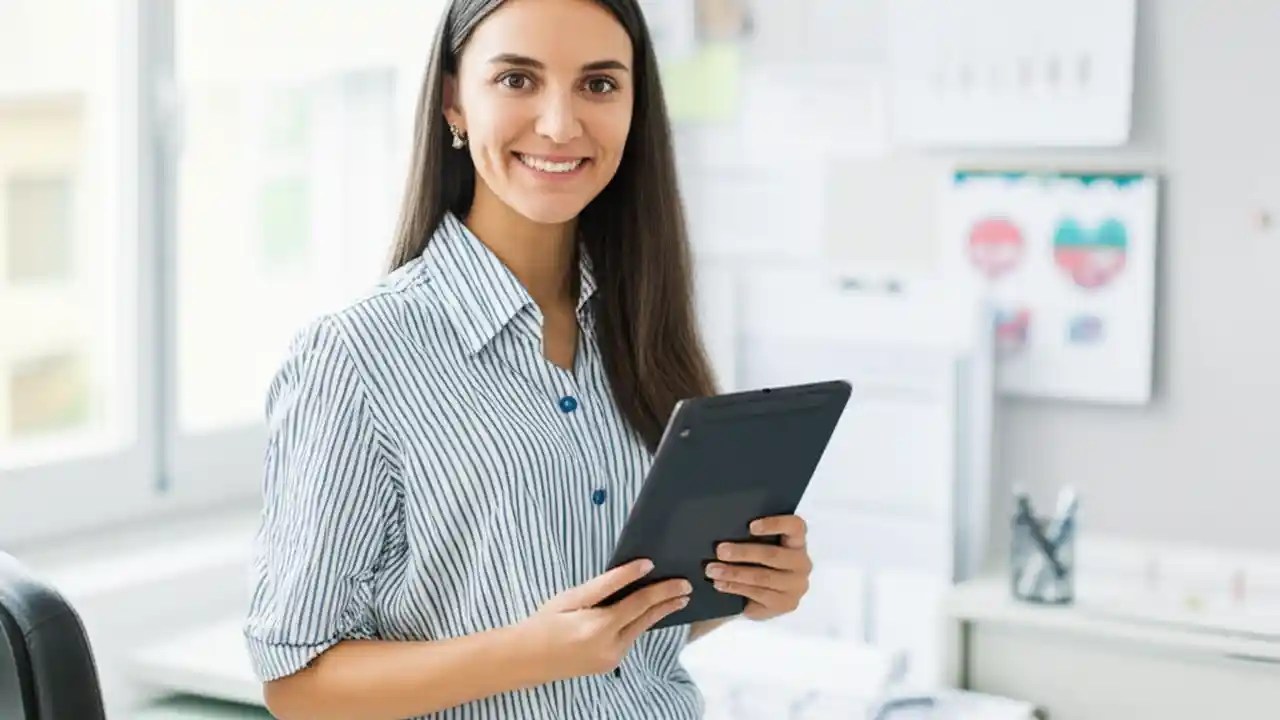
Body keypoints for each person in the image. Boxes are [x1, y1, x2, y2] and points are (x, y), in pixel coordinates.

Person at [243, 1, 814, 717]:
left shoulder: (641, 331)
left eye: (599, 85)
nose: (559, 124)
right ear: (455, 98)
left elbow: (622, 643)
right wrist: (535, 651)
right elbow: (296, 686)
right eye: (517, 80)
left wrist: (741, 589)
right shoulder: (355, 358)